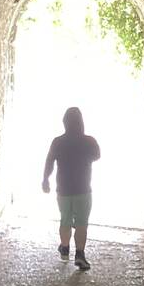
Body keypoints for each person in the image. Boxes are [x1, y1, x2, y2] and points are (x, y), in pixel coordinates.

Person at [42, 107, 101, 270]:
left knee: (65, 219)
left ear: (64, 122)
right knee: (82, 223)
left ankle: (65, 247)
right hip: (83, 188)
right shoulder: (89, 141)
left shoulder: (58, 142)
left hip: (63, 189)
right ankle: (80, 255)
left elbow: (49, 161)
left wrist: (45, 179)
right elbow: (97, 155)